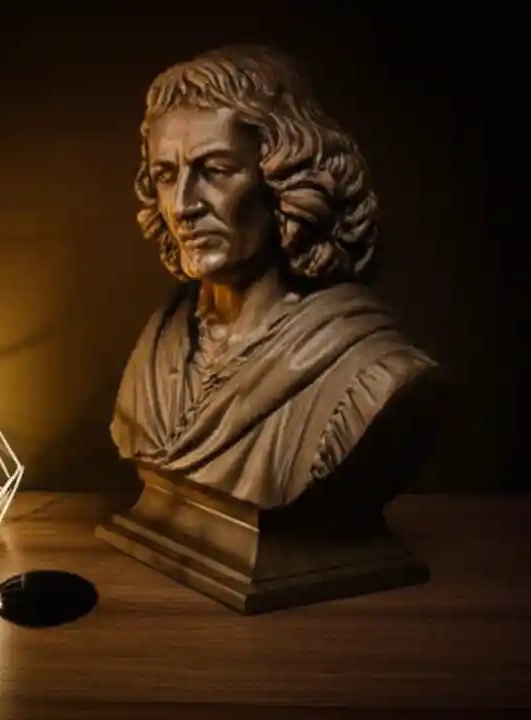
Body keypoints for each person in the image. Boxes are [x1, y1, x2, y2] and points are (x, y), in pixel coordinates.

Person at [110, 45, 443, 510]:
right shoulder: (159, 349)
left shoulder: (373, 373)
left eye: (217, 171)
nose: (183, 205)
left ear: (285, 177)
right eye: (166, 175)